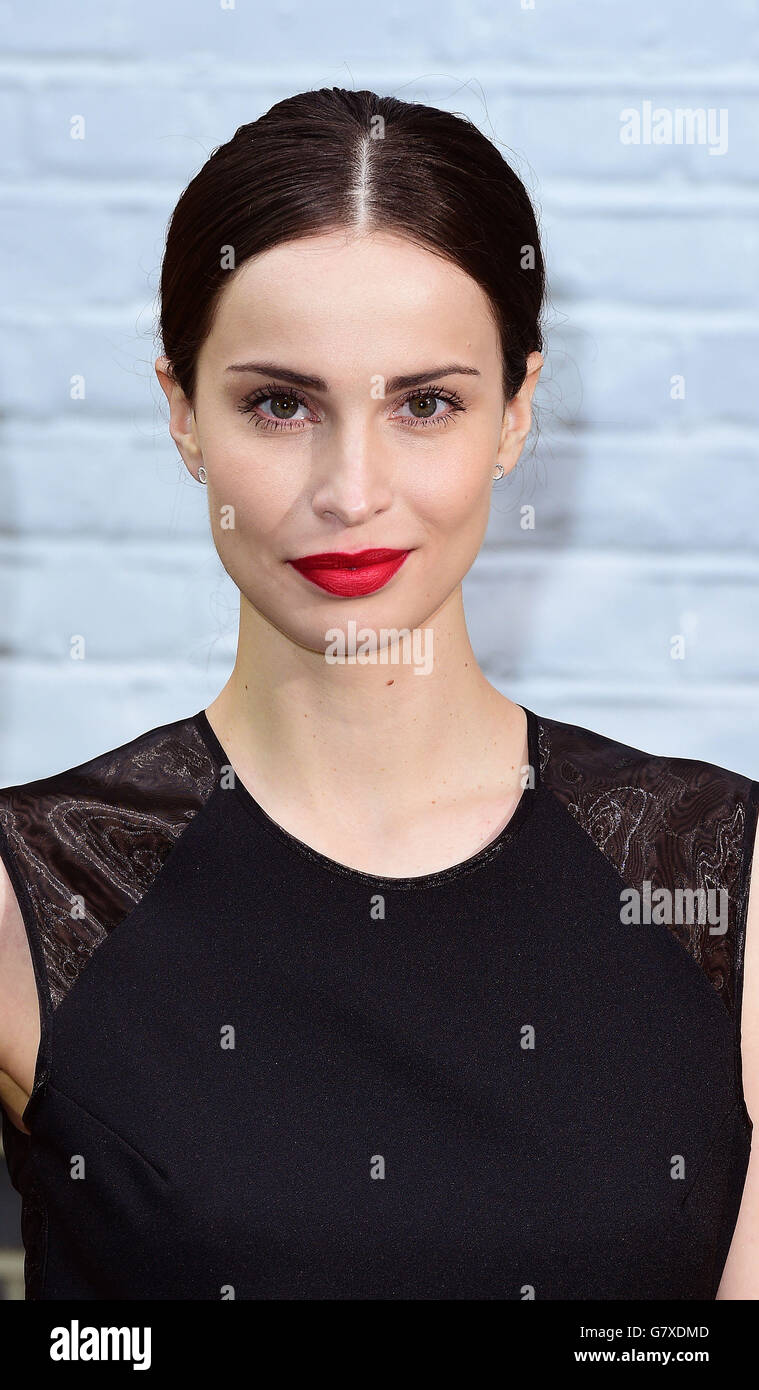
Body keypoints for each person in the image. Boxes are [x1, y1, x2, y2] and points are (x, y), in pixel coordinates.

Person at [0, 87, 757, 1300]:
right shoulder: (34, 888)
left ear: (514, 415)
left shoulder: (723, 879)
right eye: (279, 403)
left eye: (426, 404)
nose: (351, 490)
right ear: (182, 415)